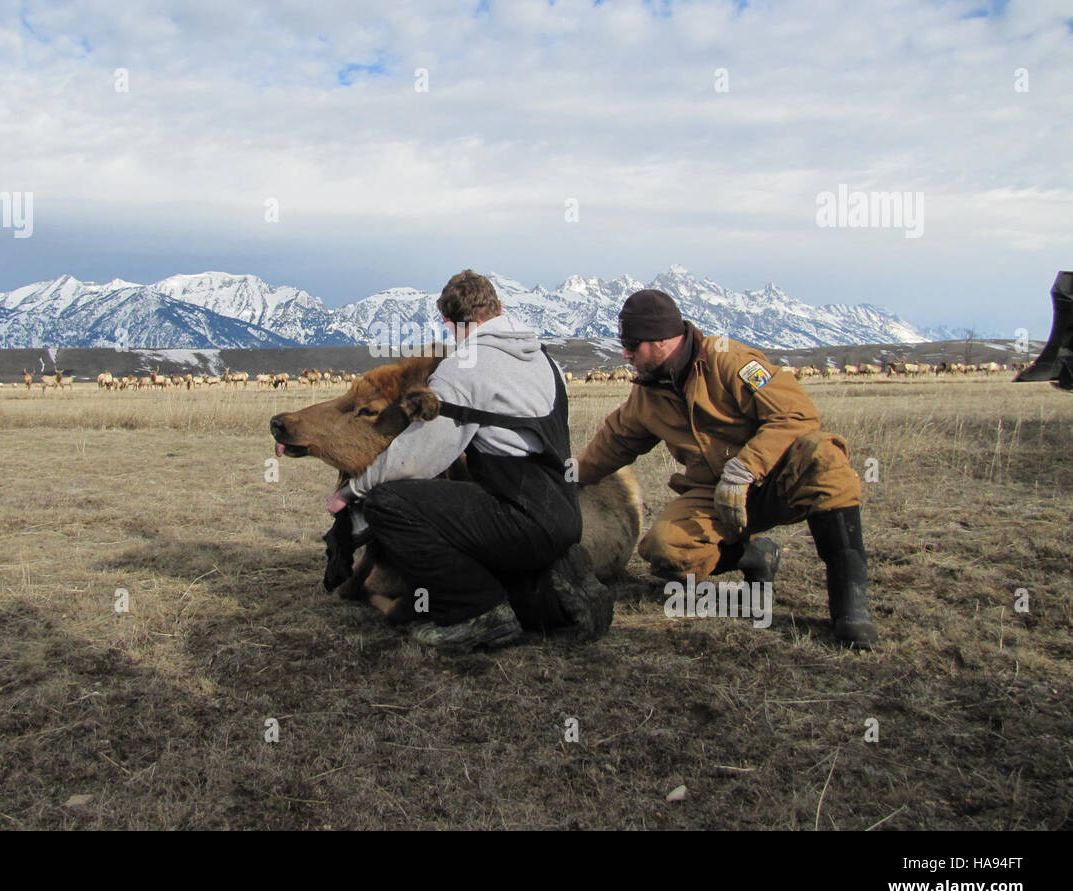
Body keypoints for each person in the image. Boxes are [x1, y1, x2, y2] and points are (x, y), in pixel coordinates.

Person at [575, 289, 878, 649]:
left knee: (824, 458)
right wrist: (564, 475)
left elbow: (797, 415)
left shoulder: (731, 363)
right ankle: (756, 555)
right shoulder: (647, 396)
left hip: (777, 476)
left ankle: (850, 606)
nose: (626, 354)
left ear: (660, 341)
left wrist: (745, 468)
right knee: (664, 549)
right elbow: (610, 446)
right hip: (715, 492)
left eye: (632, 345)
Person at [327, 270, 612, 652]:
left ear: (448, 322)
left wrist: (353, 490)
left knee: (389, 505)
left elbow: (417, 459)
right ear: (500, 307)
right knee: (488, 548)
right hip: (562, 512)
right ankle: (554, 597)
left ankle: (476, 613)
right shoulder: (546, 361)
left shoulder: (463, 368)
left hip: (517, 513)